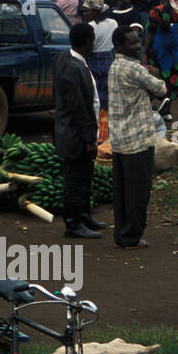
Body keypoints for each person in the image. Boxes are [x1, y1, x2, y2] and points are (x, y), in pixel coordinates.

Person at [107, 26, 168, 249]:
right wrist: (152, 72)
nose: (137, 45)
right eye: (132, 43)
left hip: (120, 139)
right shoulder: (134, 69)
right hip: (138, 139)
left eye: (137, 41)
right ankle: (132, 236)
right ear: (120, 46)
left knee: (122, 191)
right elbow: (161, 88)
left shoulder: (114, 66)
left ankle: (122, 234)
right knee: (138, 191)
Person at [55, 24, 106, 239]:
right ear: (87, 42)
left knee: (85, 175)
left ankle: (84, 215)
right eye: (92, 40)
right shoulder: (72, 67)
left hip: (80, 131)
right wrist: (88, 139)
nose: (94, 44)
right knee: (75, 179)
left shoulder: (68, 58)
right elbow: (78, 107)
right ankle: (72, 223)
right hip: (75, 134)